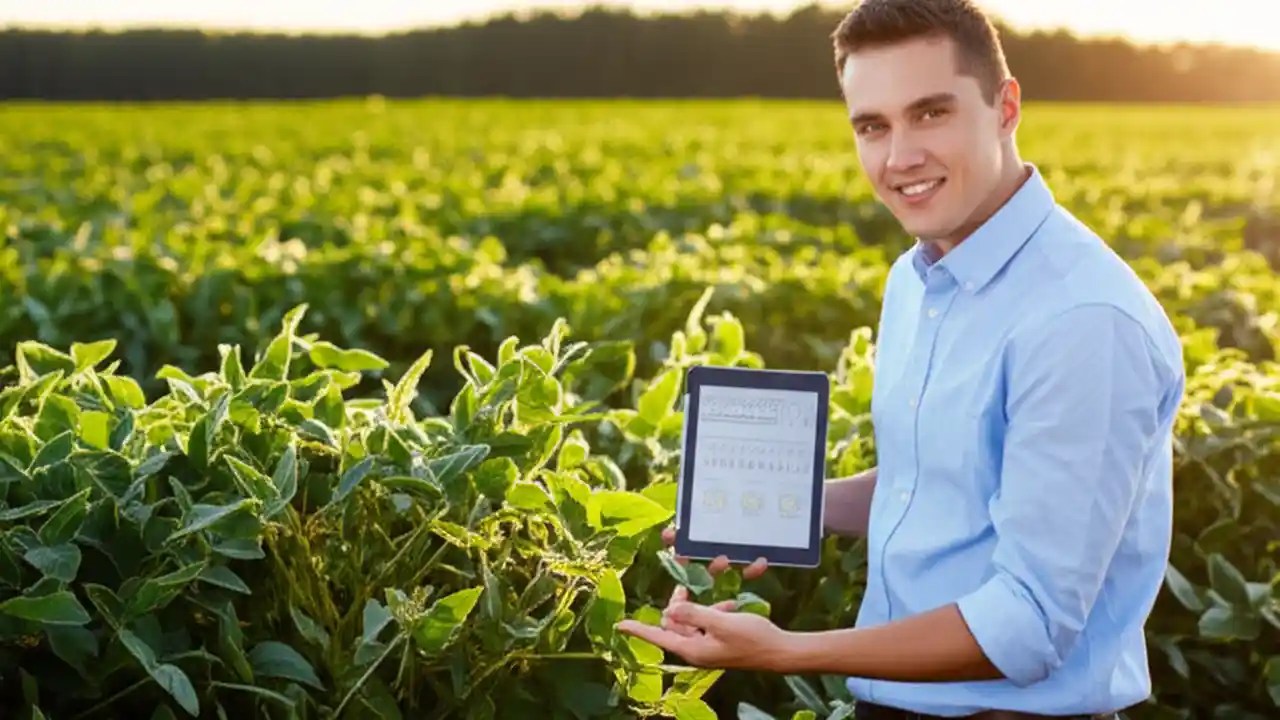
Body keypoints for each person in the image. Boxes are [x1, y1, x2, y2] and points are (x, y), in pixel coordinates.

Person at [614, 1, 1187, 718]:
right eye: (872, 126)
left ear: (1005, 107)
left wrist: (784, 650)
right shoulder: (916, 279)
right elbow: (943, 474)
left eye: (930, 113)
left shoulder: (1083, 320)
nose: (898, 158)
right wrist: (781, 510)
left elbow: (1029, 625)